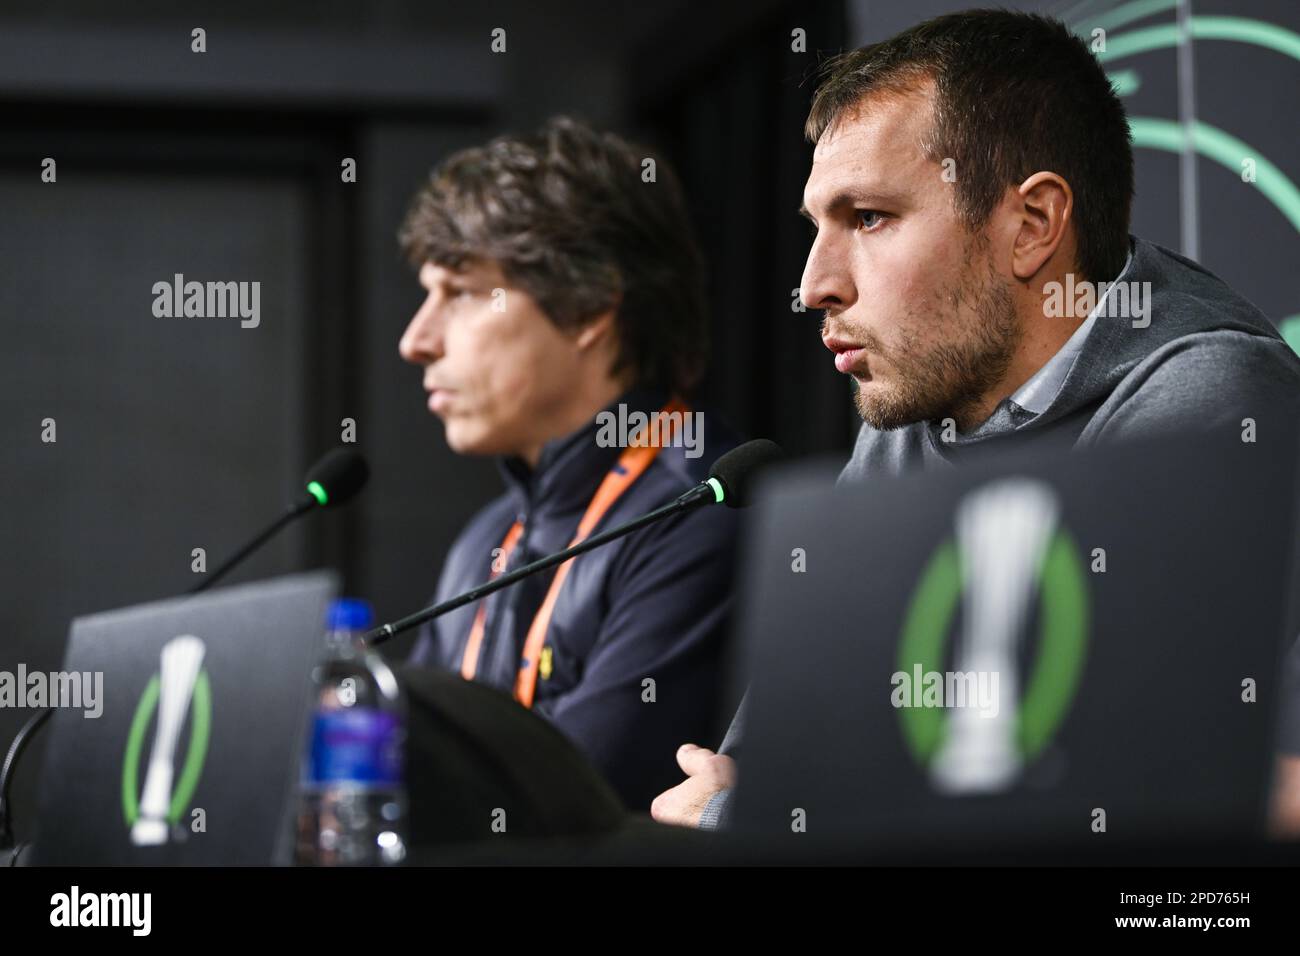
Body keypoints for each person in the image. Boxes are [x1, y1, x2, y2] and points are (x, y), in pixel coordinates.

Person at [651, 9, 1300, 829]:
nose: (815, 284)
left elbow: (1059, 803)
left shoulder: (1214, 397)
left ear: (1030, 227)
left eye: (870, 219)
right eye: (817, 227)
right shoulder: (911, 409)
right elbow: (784, 747)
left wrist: (741, 816)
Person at [398, 117, 740, 811]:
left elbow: (566, 810)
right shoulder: (484, 541)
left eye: (461, 293)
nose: (416, 339)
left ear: (587, 308)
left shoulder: (706, 508)